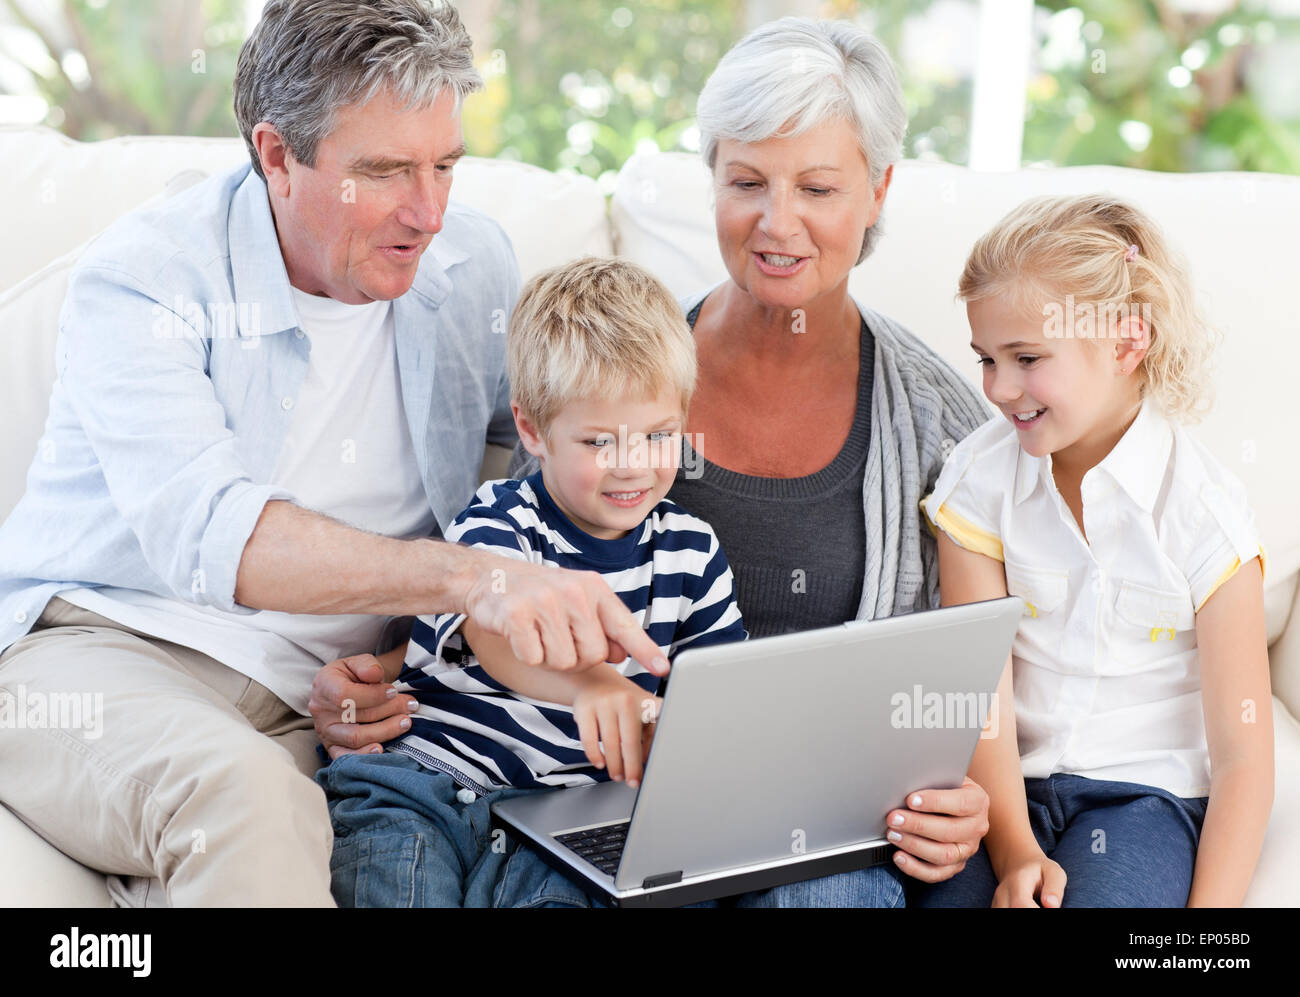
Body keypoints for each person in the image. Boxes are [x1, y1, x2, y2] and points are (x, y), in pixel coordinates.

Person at [0, 0, 663, 907]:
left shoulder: (470, 268)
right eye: (385, 171)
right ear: (276, 155)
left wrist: (409, 660)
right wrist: (473, 581)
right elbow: (217, 538)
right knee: (248, 795)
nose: (427, 213)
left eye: (444, 166)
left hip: (331, 707)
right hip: (107, 652)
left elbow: (547, 490)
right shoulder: (149, 276)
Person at [319, 16, 998, 896]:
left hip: (793, 806)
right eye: (746, 180)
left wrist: (967, 798)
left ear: (878, 190)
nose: (776, 221)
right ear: (710, 179)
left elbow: (965, 666)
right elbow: (494, 589)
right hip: (600, 799)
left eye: (819, 187)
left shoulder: (939, 420)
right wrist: (371, 661)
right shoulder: (614, 364)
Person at [912, 194, 1274, 908]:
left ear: (1126, 344)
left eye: (1026, 358)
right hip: (1008, 792)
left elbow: (1244, 761)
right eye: (987, 358)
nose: (999, 389)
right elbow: (981, 689)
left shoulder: (1204, 513)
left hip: (1142, 800)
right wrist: (1015, 848)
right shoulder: (979, 482)